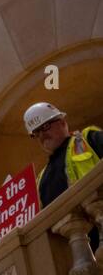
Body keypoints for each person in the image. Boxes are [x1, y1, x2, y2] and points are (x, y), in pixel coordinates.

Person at [25, 103, 102, 246]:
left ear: (62, 122)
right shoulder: (41, 180)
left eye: (45, 127)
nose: (42, 135)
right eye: (36, 133)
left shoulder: (88, 139)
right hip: (79, 253)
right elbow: (26, 217)